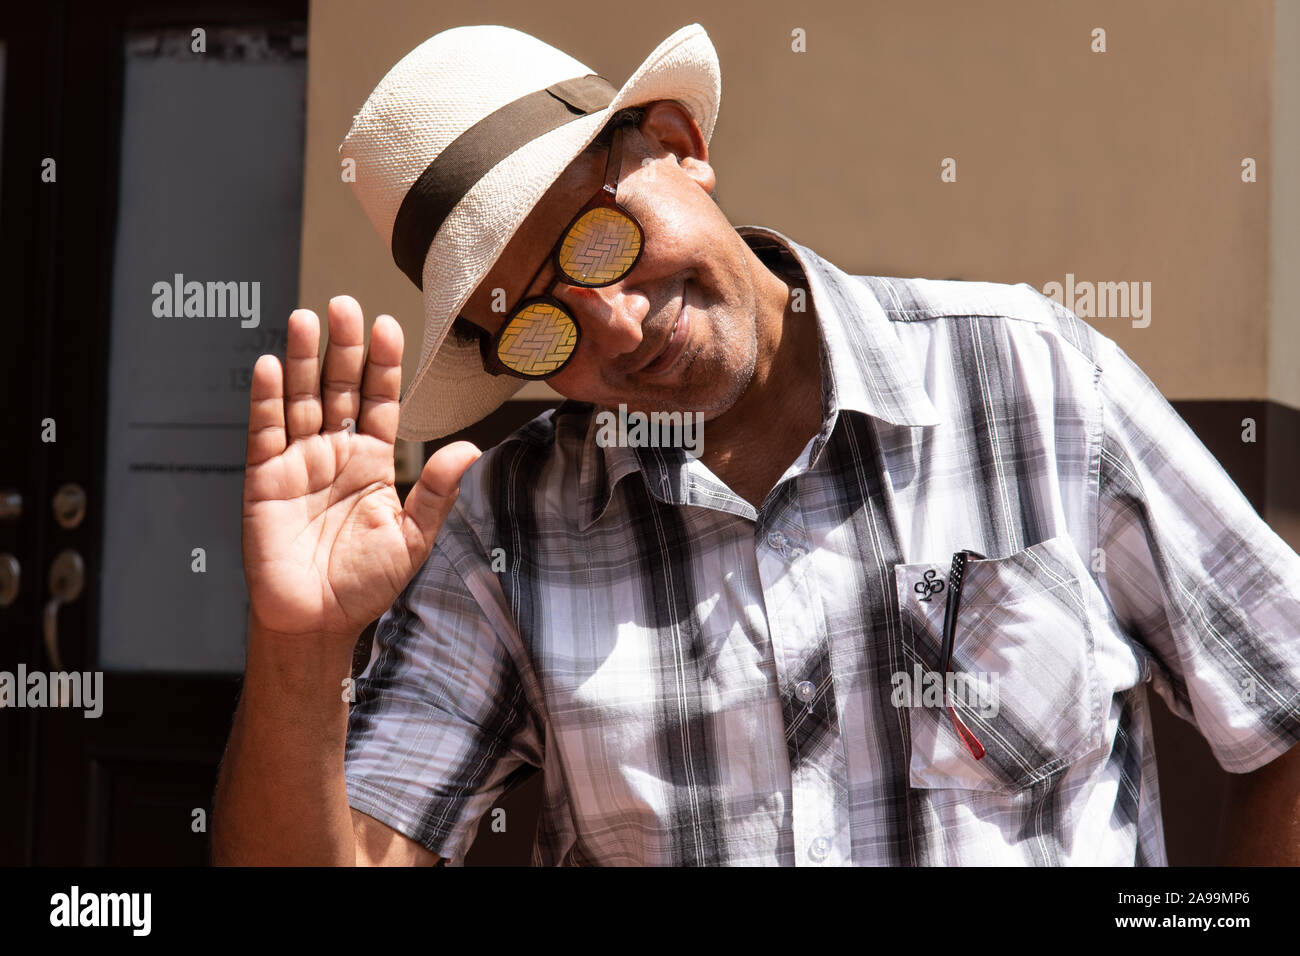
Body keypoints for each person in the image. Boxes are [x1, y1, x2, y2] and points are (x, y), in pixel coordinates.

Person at [212, 24, 1300, 866]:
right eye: (540, 323)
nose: (618, 328)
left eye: (603, 238)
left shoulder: (1030, 378)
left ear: (680, 150)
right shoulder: (503, 529)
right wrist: (302, 645)